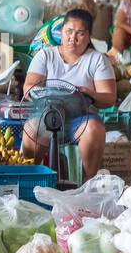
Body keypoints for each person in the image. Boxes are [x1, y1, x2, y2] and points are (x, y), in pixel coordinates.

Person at [20, 9, 115, 181]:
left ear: (88, 36)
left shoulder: (97, 59)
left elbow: (109, 97)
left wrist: (90, 94)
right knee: (31, 130)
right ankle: (31, 180)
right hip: (47, 116)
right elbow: (28, 87)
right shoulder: (46, 55)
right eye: (69, 32)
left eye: (80, 34)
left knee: (94, 130)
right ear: (61, 32)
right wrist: (38, 92)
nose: (73, 38)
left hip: (82, 119)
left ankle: (88, 183)